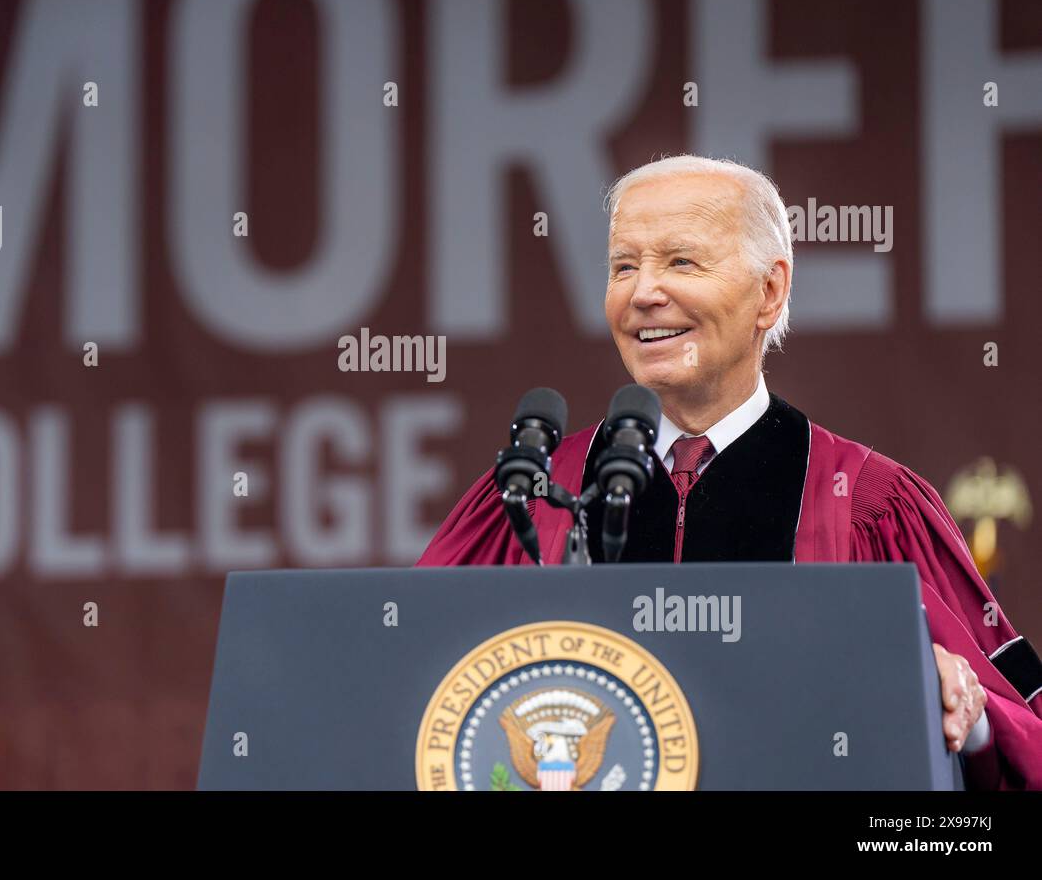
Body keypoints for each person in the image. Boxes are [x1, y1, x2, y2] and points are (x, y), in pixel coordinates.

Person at [415, 155, 1042, 790]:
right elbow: (407, 691)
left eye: (681, 262)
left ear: (769, 292)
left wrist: (967, 709)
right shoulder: (536, 495)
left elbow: (1022, 726)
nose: (643, 294)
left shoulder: (867, 503)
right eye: (623, 266)